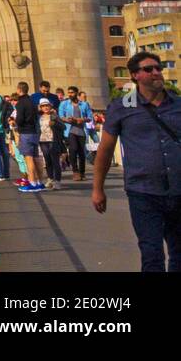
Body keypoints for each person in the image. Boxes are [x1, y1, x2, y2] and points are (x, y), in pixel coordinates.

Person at [93, 52, 181, 272]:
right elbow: (105, 149)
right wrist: (98, 189)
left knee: (179, 253)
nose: (156, 73)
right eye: (149, 69)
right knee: (152, 255)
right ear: (134, 76)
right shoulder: (122, 107)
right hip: (143, 192)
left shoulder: (178, 105)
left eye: (158, 68)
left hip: (178, 190)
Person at [13, 82, 44, 192]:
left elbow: (20, 119)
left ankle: (32, 183)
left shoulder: (21, 103)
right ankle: (40, 182)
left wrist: (15, 122)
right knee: (35, 158)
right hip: (34, 132)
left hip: (25, 133)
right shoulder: (32, 102)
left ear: (19, 90)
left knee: (28, 158)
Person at [59, 85, 92, 181]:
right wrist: (67, 119)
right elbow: (60, 116)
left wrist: (81, 120)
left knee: (82, 153)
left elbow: (90, 117)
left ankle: (82, 172)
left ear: (76, 93)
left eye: (72, 92)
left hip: (81, 131)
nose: (70, 94)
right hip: (70, 130)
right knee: (73, 150)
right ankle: (75, 171)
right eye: (68, 92)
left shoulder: (84, 104)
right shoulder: (64, 104)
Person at [37, 98, 63, 189]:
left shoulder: (54, 116)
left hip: (53, 140)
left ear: (50, 106)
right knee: (47, 161)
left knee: (55, 161)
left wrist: (55, 124)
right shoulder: (38, 117)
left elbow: (63, 127)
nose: (45, 107)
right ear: (40, 107)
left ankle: (57, 181)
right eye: (43, 106)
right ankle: (50, 179)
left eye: (47, 105)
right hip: (42, 140)